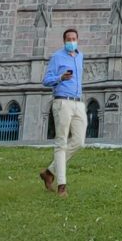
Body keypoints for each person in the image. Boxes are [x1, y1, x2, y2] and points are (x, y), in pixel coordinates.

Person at [40, 27, 86, 196]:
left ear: (77, 40)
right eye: (68, 39)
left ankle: (49, 172)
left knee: (79, 141)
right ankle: (62, 186)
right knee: (61, 143)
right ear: (64, 41)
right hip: (61, 101)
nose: (71, 41)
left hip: (78, 102)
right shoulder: (57, 57)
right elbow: (45, 80)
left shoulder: (80, 56)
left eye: (74, 38)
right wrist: (60, 78)